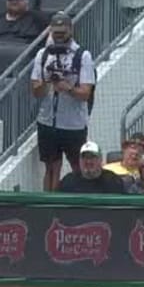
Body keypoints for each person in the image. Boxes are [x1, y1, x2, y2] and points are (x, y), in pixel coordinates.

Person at [30, 11, 95, 191]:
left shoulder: (83, 56)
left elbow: (85, 94)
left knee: (77, 168)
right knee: (51, 167)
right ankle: (49, 205)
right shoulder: (42, 55)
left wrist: (68, 88)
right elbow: (35, 91)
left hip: (73, 124)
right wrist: (48, 82)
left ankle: (78, 202)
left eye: (62, 32)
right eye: (56, 32)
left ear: (70, 30)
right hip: (47, 121)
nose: (59, 36)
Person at [58, 141, 127, 193]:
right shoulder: (68, 181)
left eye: (92, 157)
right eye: (84, 158)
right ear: (79, 160)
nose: (88, 161)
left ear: (100, 159)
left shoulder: (113, 181)